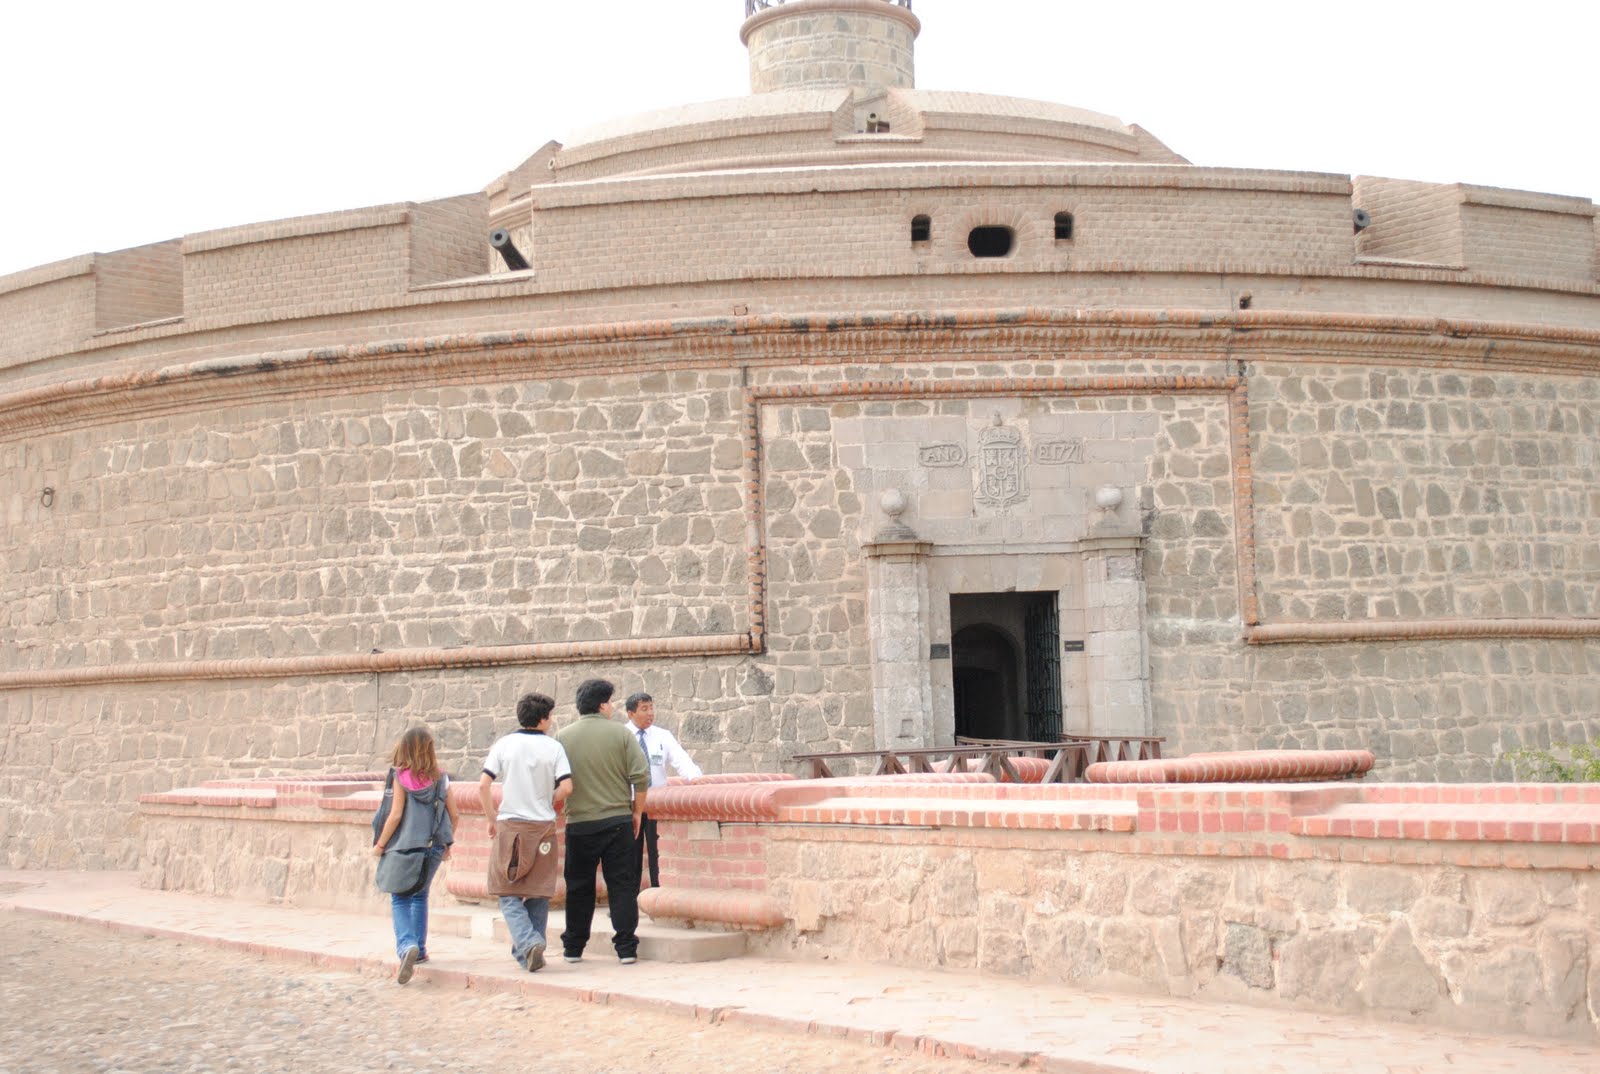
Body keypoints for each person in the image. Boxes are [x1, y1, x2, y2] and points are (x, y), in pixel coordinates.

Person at [555, 678, 649, 964]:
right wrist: (637, 811)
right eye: (610, 702)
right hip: (617, 820)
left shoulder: (563, 737)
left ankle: (573, 947)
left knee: (578, 886)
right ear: (602, 705)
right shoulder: (621, 734)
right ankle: (625, 948)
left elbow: (557, 782)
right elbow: (640, 776)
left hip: (579, 823)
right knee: (622, 884)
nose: (612, 707)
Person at [478, 692, 571, 973]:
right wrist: (546, 797)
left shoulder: (505, 744)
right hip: (543, 827)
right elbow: (567, 788)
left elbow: (484, 784)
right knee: (538, 891)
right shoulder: (553, 748)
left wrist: (492, 818)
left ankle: (529, 943)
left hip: (512, 826)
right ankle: (530, 950)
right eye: (551, 716)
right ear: (543, 719)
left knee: (506, 890)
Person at [371, 725, 458, 985]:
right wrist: (447, 844)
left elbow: (395, 814)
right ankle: (419, 950)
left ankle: (406, 945)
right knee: (420, 896)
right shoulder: (441, 779)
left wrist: (380, 844)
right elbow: (455, 815)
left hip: (403, 846)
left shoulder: (400, 778)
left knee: (399, 898)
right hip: (432, 847)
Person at [623, 691, 702, 888]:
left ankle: (659, 893)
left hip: (656, 803)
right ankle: (627, 902)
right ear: (630, 714)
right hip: (629, 803)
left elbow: (681, 760)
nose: (650, 713)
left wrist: (696, 779)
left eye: (651, 708)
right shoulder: (621, 737)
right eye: (644, 709)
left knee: (658, 852)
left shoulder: (662, 736)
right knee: (628, 855)